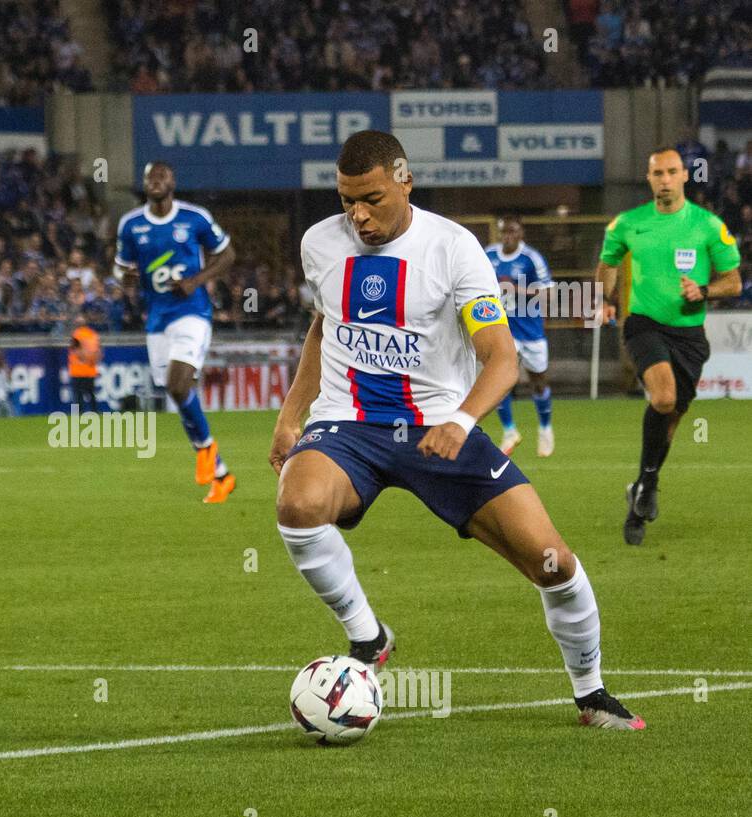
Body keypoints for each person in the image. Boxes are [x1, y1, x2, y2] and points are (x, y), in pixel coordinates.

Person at [272, 130, 643, 731]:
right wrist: (291, 418)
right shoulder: (320, 243)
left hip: (437, 426)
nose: (358, 215)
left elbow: (501, 357)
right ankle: (368, 639)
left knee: (553, 562)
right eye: (347, 201)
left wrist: (462, 420)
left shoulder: (454, 248)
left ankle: (592, 692)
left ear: (404, 179)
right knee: (297, 501)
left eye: (371, 198)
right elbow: (323, 327)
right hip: (348, 424)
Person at [596, 147, 742, 546]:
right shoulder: (628, 223)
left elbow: (734, 281)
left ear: (683, 176)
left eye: (671, 172)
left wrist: (705, 290)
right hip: (643, 325)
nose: (664, 179)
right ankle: (647, 485)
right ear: (649, 178)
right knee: (663, 399)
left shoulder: (708, 226)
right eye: (657, 172)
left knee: (672, 418)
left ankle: (643, 488)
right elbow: (608, 263)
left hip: (690, 336)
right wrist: (605, 299)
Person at [115, 160, 237, 503]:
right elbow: (121, 269)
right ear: (144, 184)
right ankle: (220, 471)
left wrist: (196, 281)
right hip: (156, 319)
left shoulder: (194, 218)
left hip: (192, 312)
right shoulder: (130, 225)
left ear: (172, 181)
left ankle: (204, 453)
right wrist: (125, 279)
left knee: (177, 383)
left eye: (162, 175)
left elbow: (227, 253)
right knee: (177, 393)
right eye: (151, 176)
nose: (156, 180)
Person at [485, 216, 556, 456]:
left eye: (513, 232)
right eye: (504, 232)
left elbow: (548, 295)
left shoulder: (531, 259)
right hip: (503, 329)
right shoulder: (489, 255)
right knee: (500, 381)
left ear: (521, 234)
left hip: (531, 330)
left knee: (538, 381)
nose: (508, 236)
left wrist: (516, 290)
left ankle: (545, 428)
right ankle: (509, 430)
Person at [68, 316, 101, 412]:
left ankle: (76, 414)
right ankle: (95, 412)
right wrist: (92, 361)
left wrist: (84, 359)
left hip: (77, 370)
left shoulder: (76, 335)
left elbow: (75, 351)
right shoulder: (93, 335)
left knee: (77, 395)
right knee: (91, 394)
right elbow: (98, 352)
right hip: (90, 370)